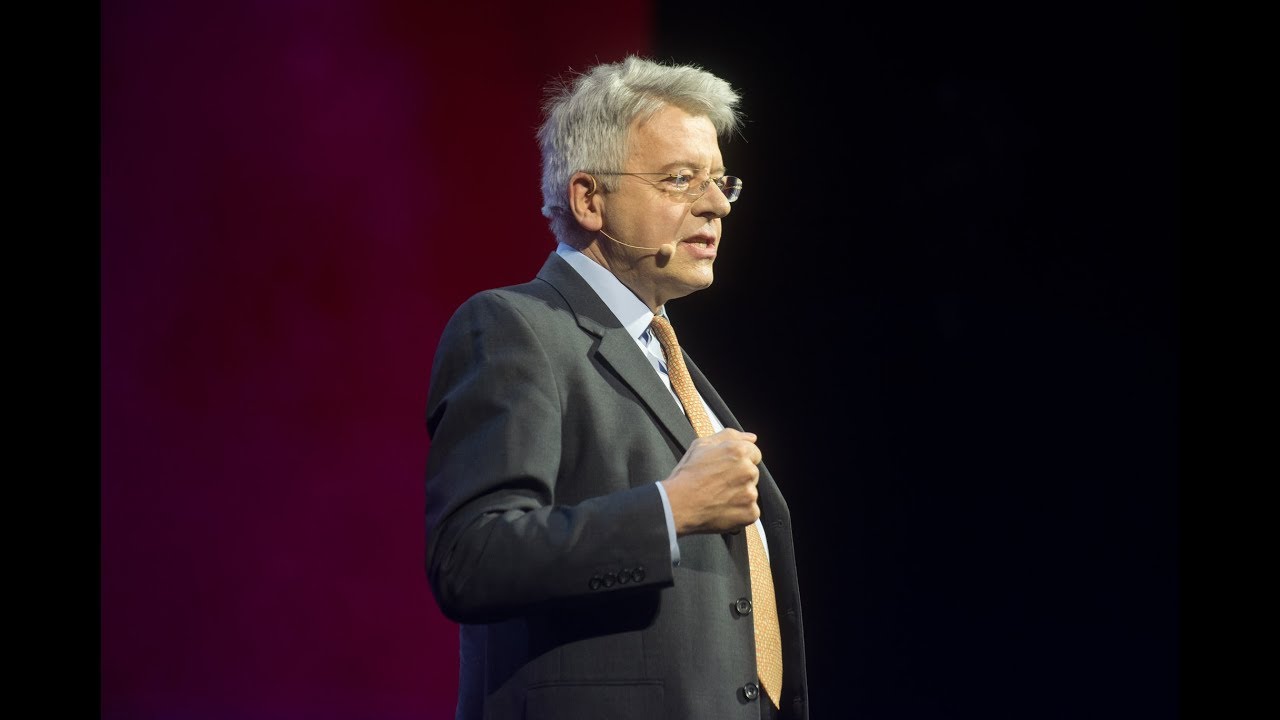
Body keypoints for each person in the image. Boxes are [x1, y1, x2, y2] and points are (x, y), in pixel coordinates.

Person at [424, 55, 808, 720]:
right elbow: (471, 557)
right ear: (589, 199)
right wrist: (669, 510)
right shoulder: (516, 327)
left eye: (720, 182)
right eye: (681, 179)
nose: (717, 204)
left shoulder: (665, 355)